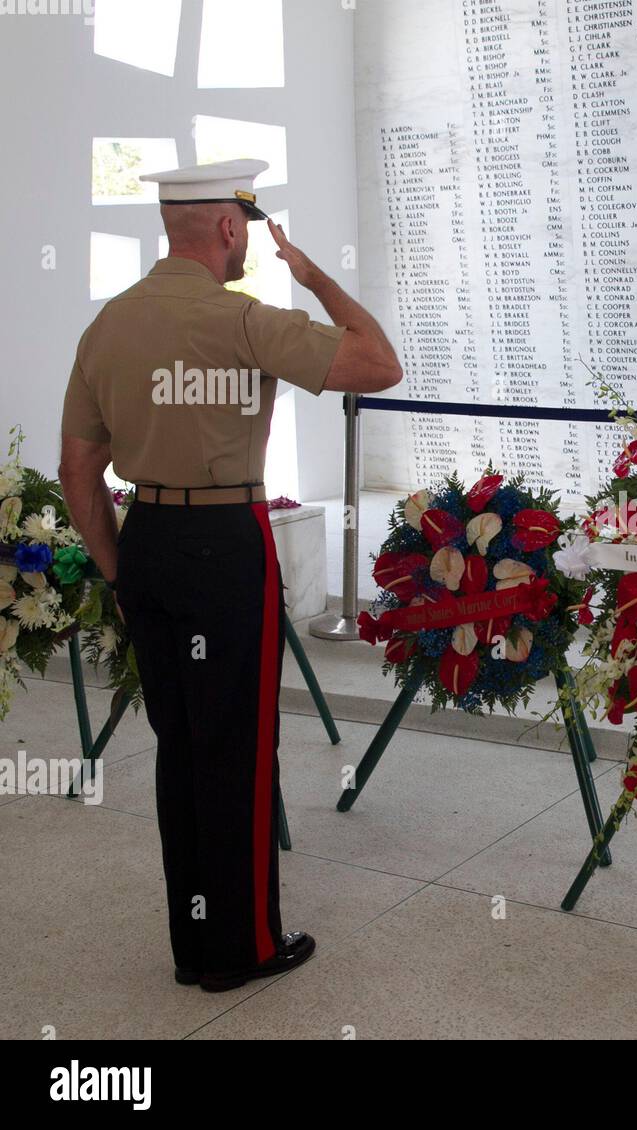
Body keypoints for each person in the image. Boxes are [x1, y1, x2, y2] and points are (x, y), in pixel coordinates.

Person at [58, 159, 402, 991]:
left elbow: (78, 473)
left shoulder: (107, 326)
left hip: (147, 541)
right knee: (239, 752)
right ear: (227, 228)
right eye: (243, 223)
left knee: (180, 749)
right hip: (223, 544)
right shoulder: (244, 320)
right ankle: (242, 949)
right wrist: (314, 275)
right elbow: (378, 362)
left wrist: (120, 568)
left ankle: (193, 945)